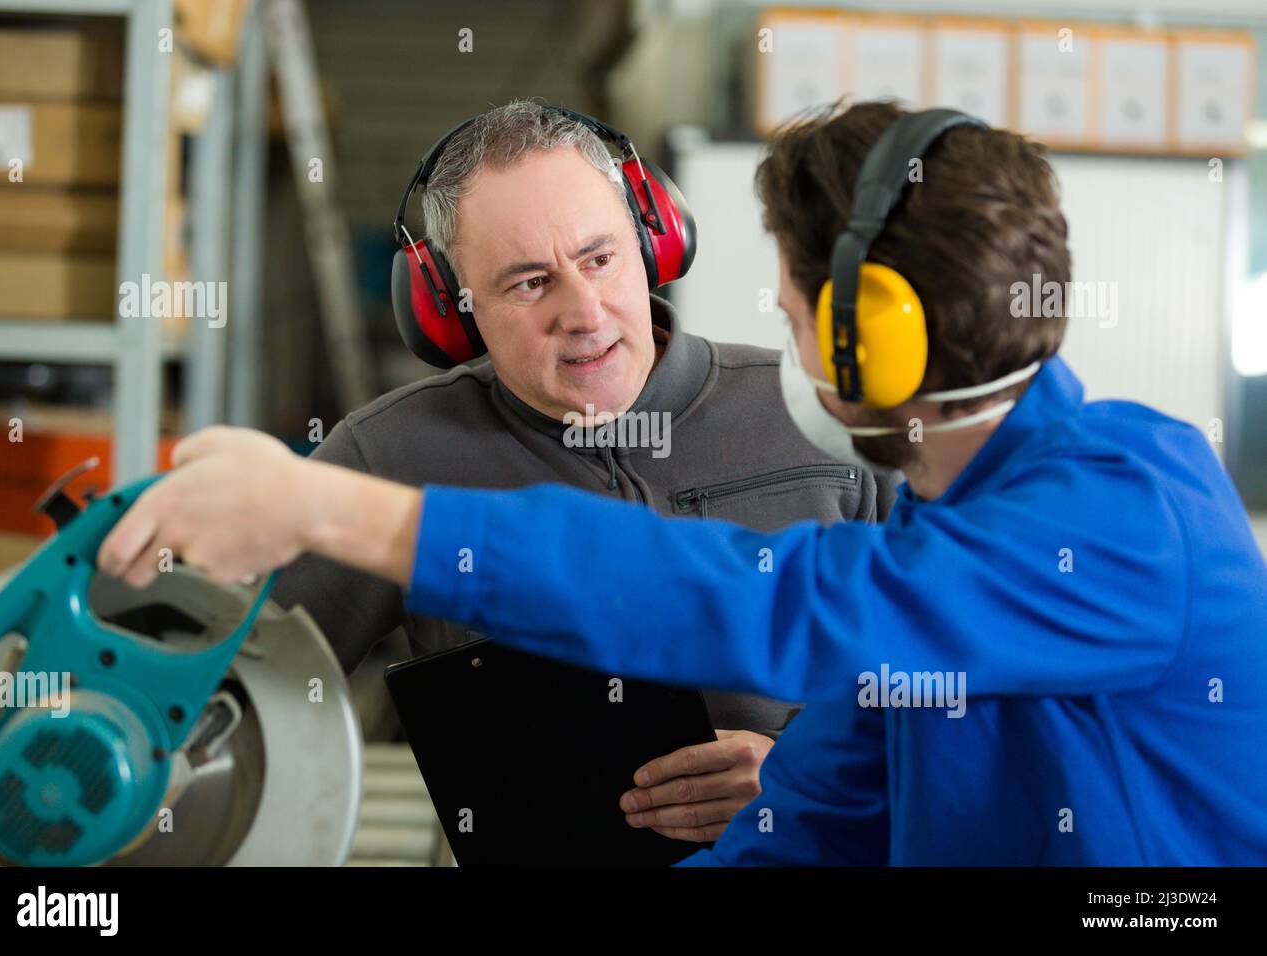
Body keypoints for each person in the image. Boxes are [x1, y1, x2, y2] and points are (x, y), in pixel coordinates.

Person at [98, 101, 1267, 864]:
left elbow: (773, 599)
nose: (781, 322)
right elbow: (813, 816)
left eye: (797, 294)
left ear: (874, 333)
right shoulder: (944, 519)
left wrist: (329, 505)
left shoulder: (1127, 510)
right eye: (524, 281)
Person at [265, 100, 888, 845]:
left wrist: (807, 774)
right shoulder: (389, 458)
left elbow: (957, 690)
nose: (585, 312)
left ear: (654, 242)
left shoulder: (821, 416)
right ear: (452, 313)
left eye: (600, 258)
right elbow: (242, 692)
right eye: (529, 283)